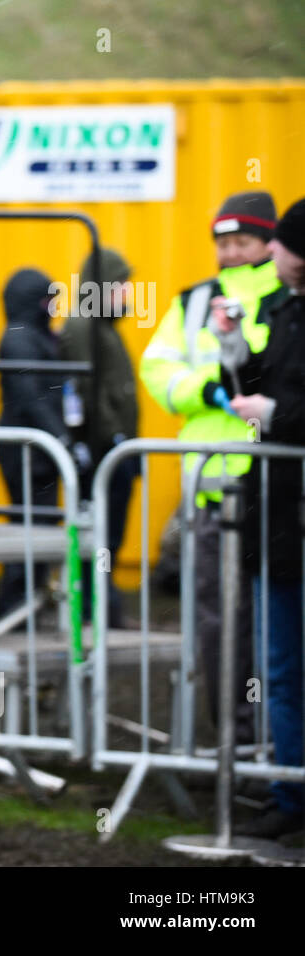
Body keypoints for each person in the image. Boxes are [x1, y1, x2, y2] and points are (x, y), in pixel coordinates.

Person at [140, 192, 281, 742]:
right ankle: (235, 745)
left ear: (269, 241)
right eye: (221, 243)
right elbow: (158, 368)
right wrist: (203, 388)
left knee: (277, 622)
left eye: (241, 241)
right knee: (217, 623)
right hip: (209, 487)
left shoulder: (288, 298)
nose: (229, 252)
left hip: (275, 486)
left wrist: (242, 367)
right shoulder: (194, 301)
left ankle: (279, 746)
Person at [215, 196, 305, 839]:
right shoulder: (285, 312)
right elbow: (264, 381)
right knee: (279, 666)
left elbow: (287, 403)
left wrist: (277, 417)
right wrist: (232, 349)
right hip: (274, 519)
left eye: (283, 244)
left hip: (290, 512)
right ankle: (290, 794)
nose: (272, 252)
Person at [60, 247, 137, 628]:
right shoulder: (82, 326)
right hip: (103, 452)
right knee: (99, 532)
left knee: (111, 533)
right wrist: (114, 437)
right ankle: (94, 607)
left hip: (116, 451)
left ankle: (103, 604)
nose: (127, 294)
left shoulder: (103, 327)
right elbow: (87, 390)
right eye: (121, 285)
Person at [0, 268, 69, 618]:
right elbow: (30, 398)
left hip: (38, 452)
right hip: (26, 454)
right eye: (46, 299)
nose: (52, 306)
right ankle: (13, 608)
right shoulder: (19, 339)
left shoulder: (37, 336)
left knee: (37, 530)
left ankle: (27, 606)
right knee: (29, 532)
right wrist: (61, 436)